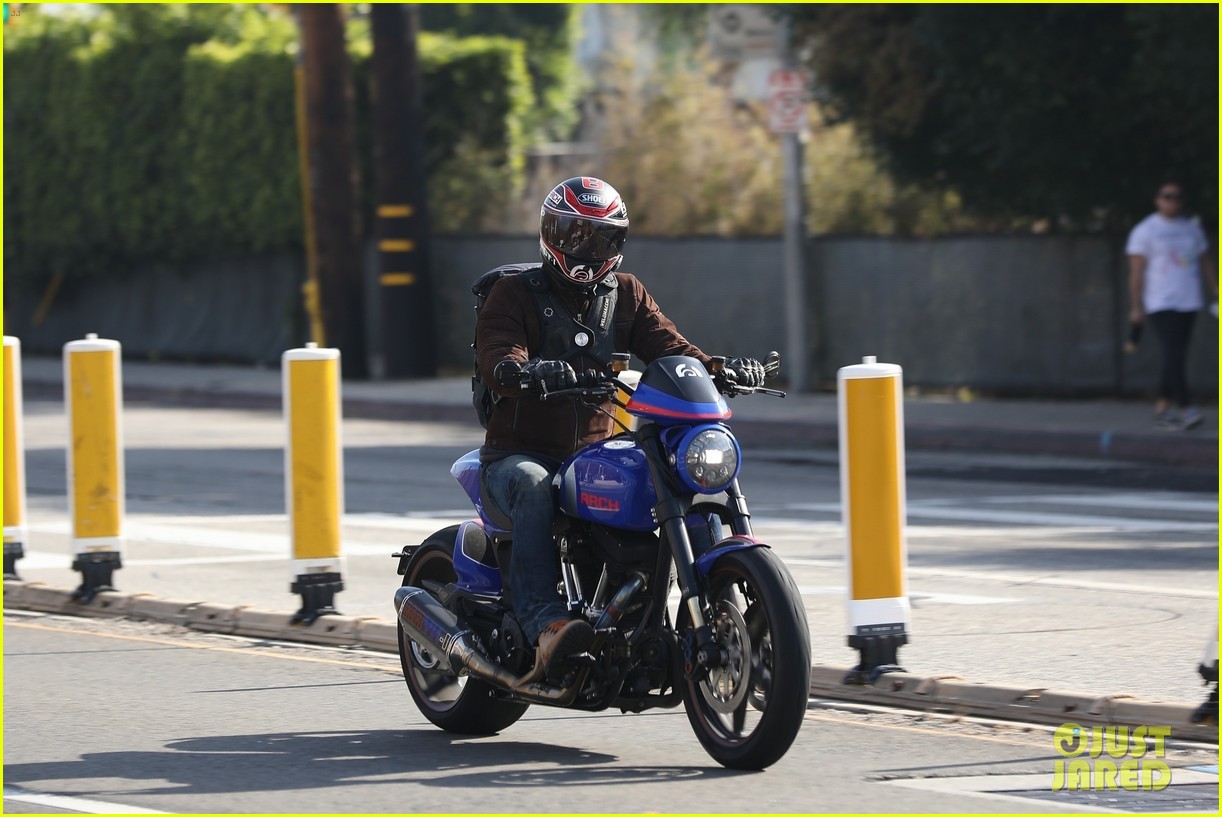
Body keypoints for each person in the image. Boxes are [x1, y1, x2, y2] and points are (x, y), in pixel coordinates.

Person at [474, 176, 766, 686]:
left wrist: (720, 369)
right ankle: (545, 625)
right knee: (535, 486)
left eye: (600, 238)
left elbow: (671, 347)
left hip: (596, 449)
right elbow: (498, 350)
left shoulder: (626, 293)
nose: (586, 248)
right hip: (519, 454)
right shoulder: (513, 294)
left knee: (671, 474)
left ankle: (661, 610)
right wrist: (523, 370)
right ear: (550, 234)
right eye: (574, 234)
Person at [1126, 180, 1218, 430]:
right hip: (1160, 301)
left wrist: (1216, 291)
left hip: (1189, 300)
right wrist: (1136, 306)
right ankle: (1186, 407)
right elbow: (1136, 272)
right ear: (1158, 199)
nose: (1172, 200)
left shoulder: (1191, 229)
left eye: (1177, 197)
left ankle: (1162, 411)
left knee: (1175, 357)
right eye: (1167, 196)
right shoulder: (1145, 230)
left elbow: (1204, 261)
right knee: (1174, 354)